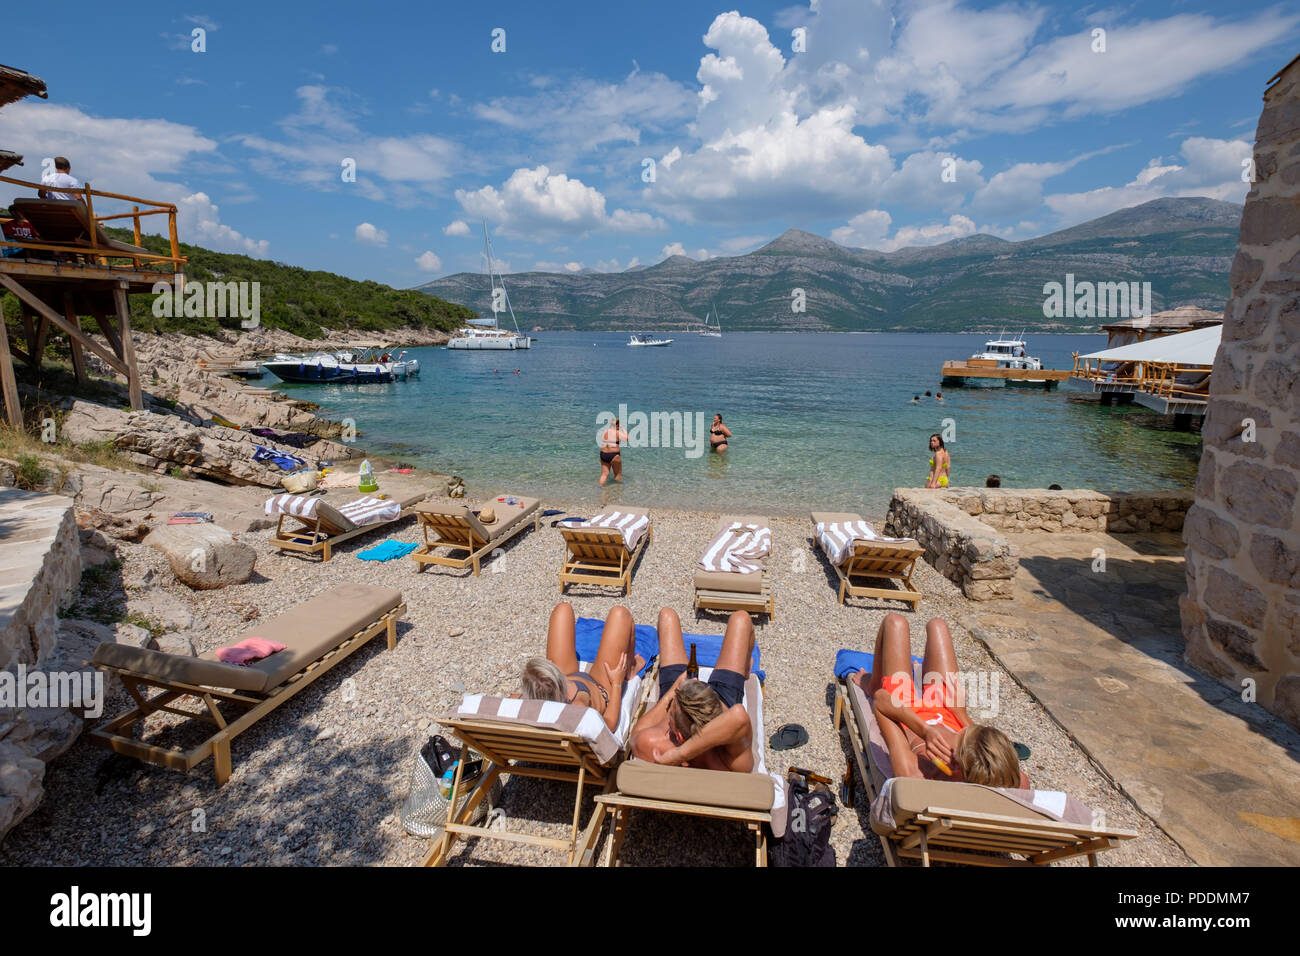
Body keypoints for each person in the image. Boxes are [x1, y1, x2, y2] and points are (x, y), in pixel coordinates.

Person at [853, 613, 1028, 787]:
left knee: (895, 622)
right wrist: (961, 714)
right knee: (938, 625)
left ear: (958, 765)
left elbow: (881, 700)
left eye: (960, 738)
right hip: (948, 713)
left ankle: (873, 682)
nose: (958, 733)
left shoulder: (916, 772)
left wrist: (925, 730)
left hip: (905, 709)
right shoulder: (1010, 780)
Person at [629, 608, 754, 772]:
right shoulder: (731, 760)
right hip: (718, 703)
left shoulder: (656, 746)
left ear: (678, 736)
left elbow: (636, 733)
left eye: (672, 710)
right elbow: (738, 715)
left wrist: (673, 692)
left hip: (701, 709)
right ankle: (744, 670)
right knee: (741, 618)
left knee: (667, 616)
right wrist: (680, 753)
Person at [519, 602, 643, 732]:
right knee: (621, 614)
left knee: (562, 609)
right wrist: (617, 683)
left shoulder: (526, 701)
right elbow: (609, 726)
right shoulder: (579, 707)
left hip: (563, 681)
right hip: (598, 684)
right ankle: (630, 668)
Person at [598, 416, 628, 485]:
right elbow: (626, 438)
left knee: (604, 474)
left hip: (603, 454)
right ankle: (616, 493)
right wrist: (622, 428)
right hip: (614, 455)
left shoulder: (605, 431)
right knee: (618, 474)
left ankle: (599, 488)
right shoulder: (617, 432)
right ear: (617, 425)